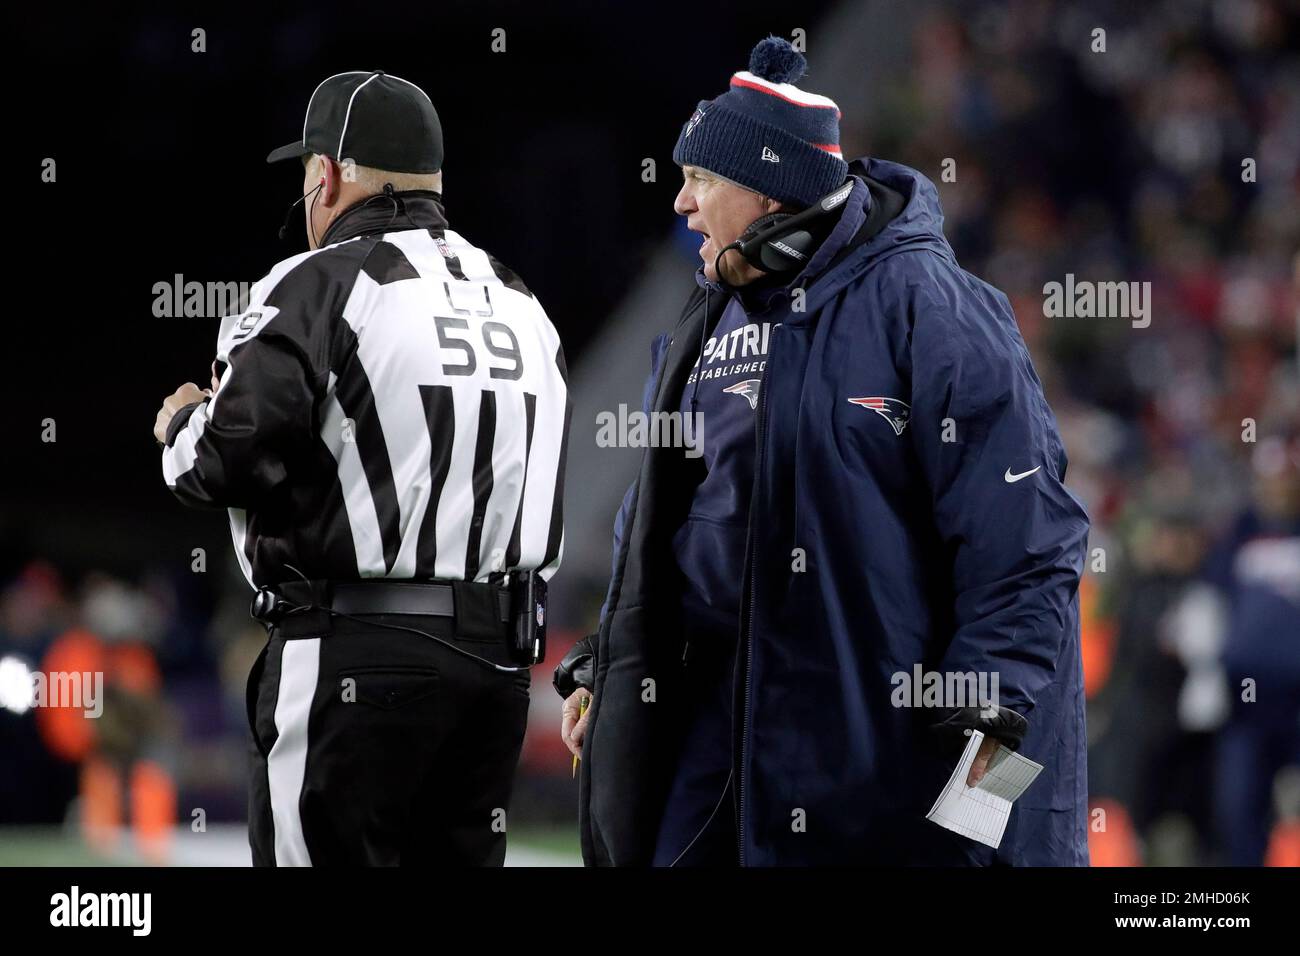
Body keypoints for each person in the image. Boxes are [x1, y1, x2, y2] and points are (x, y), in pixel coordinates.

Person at [556, 38, 1090, 866]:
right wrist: (606, 659)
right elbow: (661, 518)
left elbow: (1031, 539)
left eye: (700, 180)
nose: (681, 206)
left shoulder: (937, 311)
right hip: (716, 731)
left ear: (768, 190)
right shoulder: (706, 322)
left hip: (878, 742)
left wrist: (991, 713)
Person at [153, 70, 571, 866]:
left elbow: (225, 459)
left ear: (327, 175)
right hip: (498, 668)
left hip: (355, 650)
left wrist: (181, 424)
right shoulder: (521, 301)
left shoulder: (316, 284)